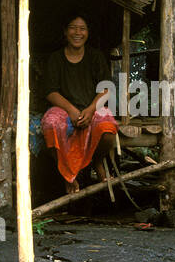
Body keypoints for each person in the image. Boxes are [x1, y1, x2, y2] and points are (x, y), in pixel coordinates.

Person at [40, 14, 119, 194]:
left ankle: (96, 161)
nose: (78, 32)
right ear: (65, 32)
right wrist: (72, 111)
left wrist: (91, 110)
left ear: (88, 32)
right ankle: (68, 175)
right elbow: (50, 92)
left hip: (92, 107)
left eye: (82, 28)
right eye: (73, 27)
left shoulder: (96, 57)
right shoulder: (56, 59)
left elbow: (106, 89)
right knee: (51, 125)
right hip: (64, 109)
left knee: (107, 129)